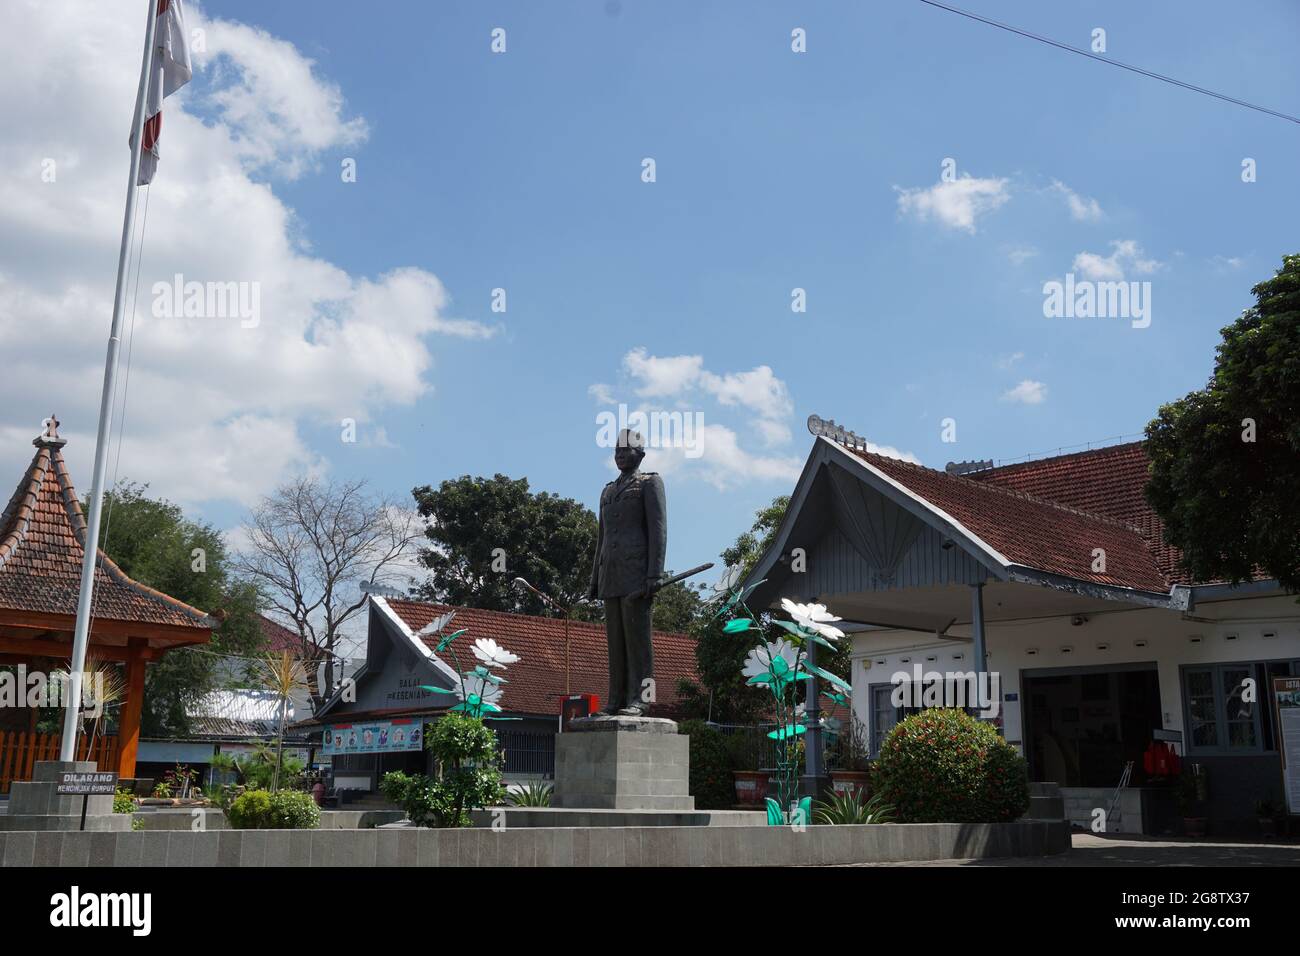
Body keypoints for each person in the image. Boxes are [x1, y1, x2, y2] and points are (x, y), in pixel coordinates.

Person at [587, 429, 667, 716]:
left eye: (626, 450)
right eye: (617, 451)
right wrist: (595, 579)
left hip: (637, 573)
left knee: (638, 643)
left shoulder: (650, 483)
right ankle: (615, 699)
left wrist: (654, 574)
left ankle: (641, 699)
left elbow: (658, 530)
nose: (620, 455)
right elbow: (602, 537)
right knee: (615, 644)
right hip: (611, 573)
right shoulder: (607, 490)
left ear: (640, 454)